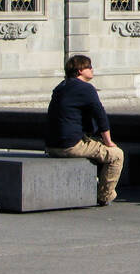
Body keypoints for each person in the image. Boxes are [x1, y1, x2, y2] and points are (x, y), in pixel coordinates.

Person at [46, 55, 124, 206]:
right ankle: (104, 195)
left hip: (51, 146)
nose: (92, 69)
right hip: (70, 146)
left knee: (96, 146)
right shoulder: (86, 88)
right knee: (116, 155)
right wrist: (108, 142)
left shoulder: (61, 87)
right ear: (80, 70)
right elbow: (101, 116)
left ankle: (97, 187)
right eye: (89, 67)